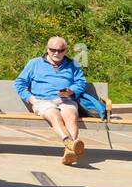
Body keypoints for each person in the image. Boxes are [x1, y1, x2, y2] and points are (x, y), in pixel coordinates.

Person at [15, 36, 88, 164]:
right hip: (42, 100)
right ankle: (69, 142)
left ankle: (69, 152)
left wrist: (71, 90)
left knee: (71, 115)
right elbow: (20, 83)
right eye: (52, 49)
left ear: (65, 50)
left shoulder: (73, 65)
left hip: (65, 99)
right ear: (47, 49)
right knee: (54, 114)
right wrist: (31, 99)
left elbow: (81, 83)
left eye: (60, 50)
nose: (56, 53)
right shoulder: (35, 63)